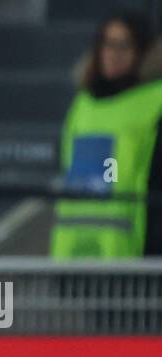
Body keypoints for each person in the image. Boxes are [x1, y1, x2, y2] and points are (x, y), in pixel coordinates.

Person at [51, 12, 162, 258]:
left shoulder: (156, 102)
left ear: (143, 52)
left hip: (134, 249)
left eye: (123, 45)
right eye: (107, 43)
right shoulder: (83, 103)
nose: (113, 53)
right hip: (73, 246)